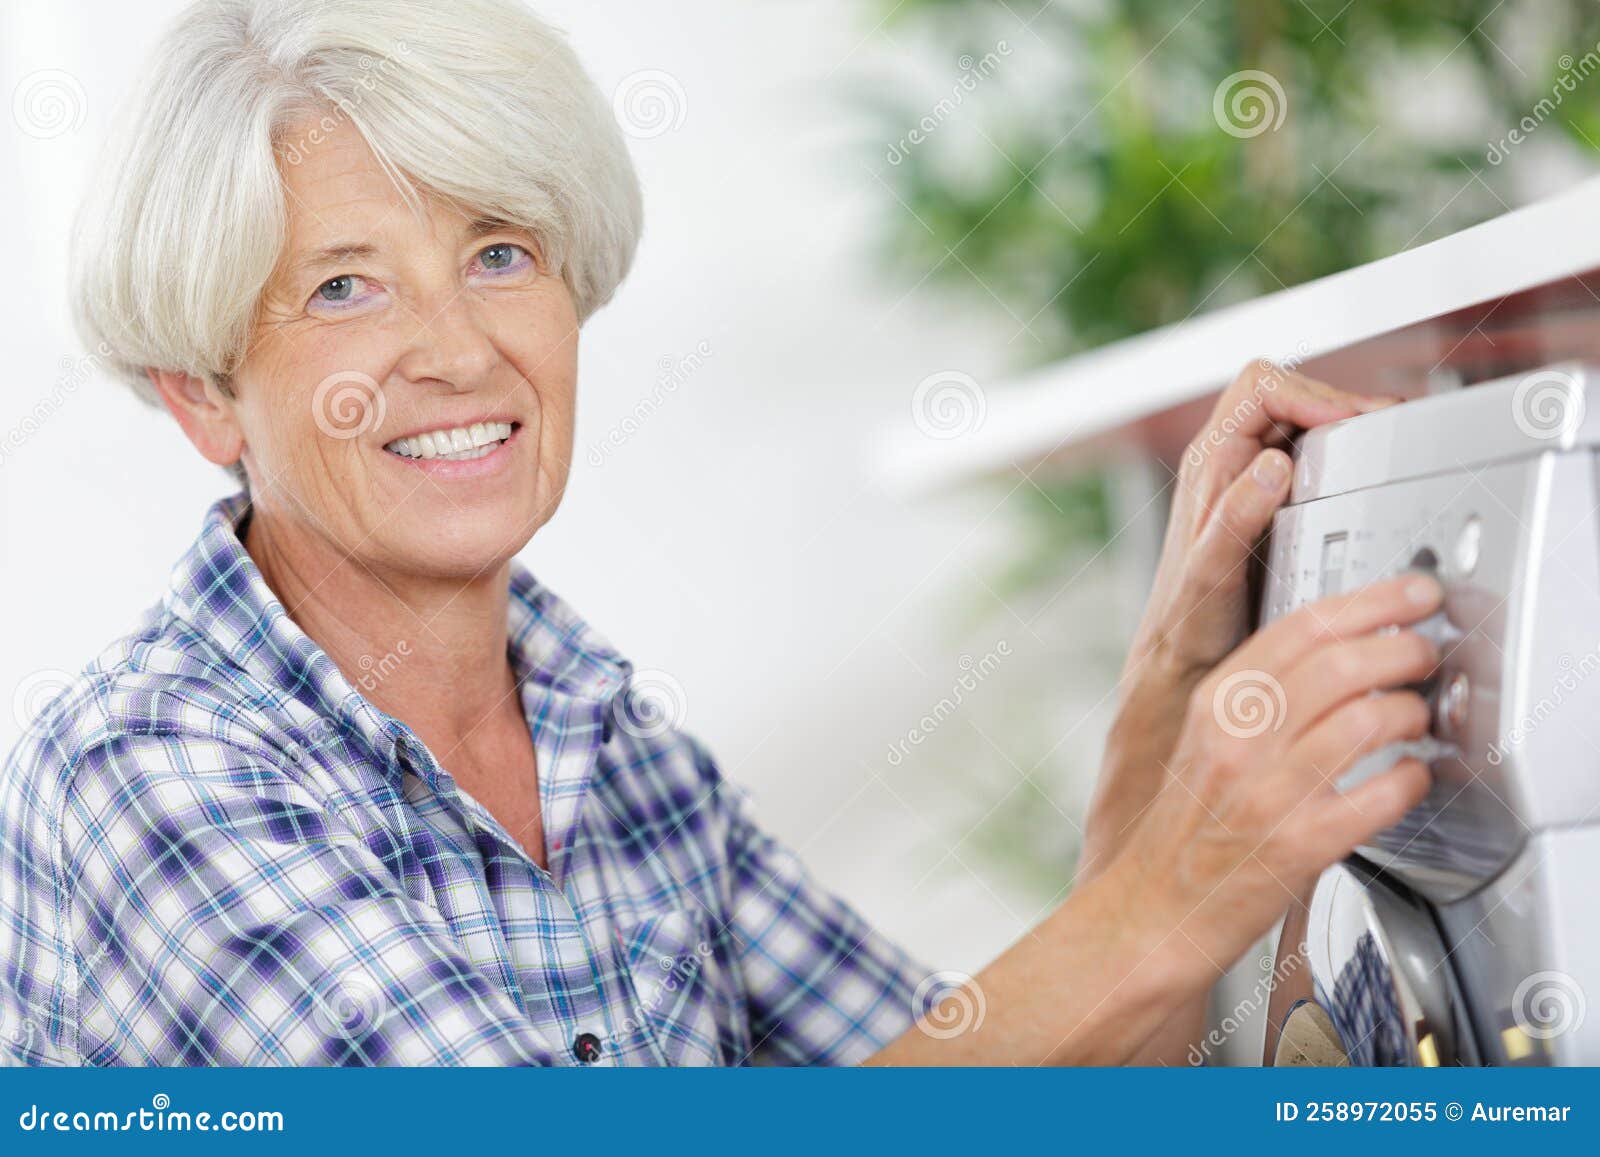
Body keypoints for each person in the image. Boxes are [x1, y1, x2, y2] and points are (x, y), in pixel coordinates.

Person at [0, 0, 1441, 1066]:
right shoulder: (150, 769)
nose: (455, 350)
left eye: (500, 253)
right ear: (204, 394)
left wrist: (1164, 723)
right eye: (343, 288)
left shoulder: (607, 744)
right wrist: (1171, 890)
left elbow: (1001, 1086)